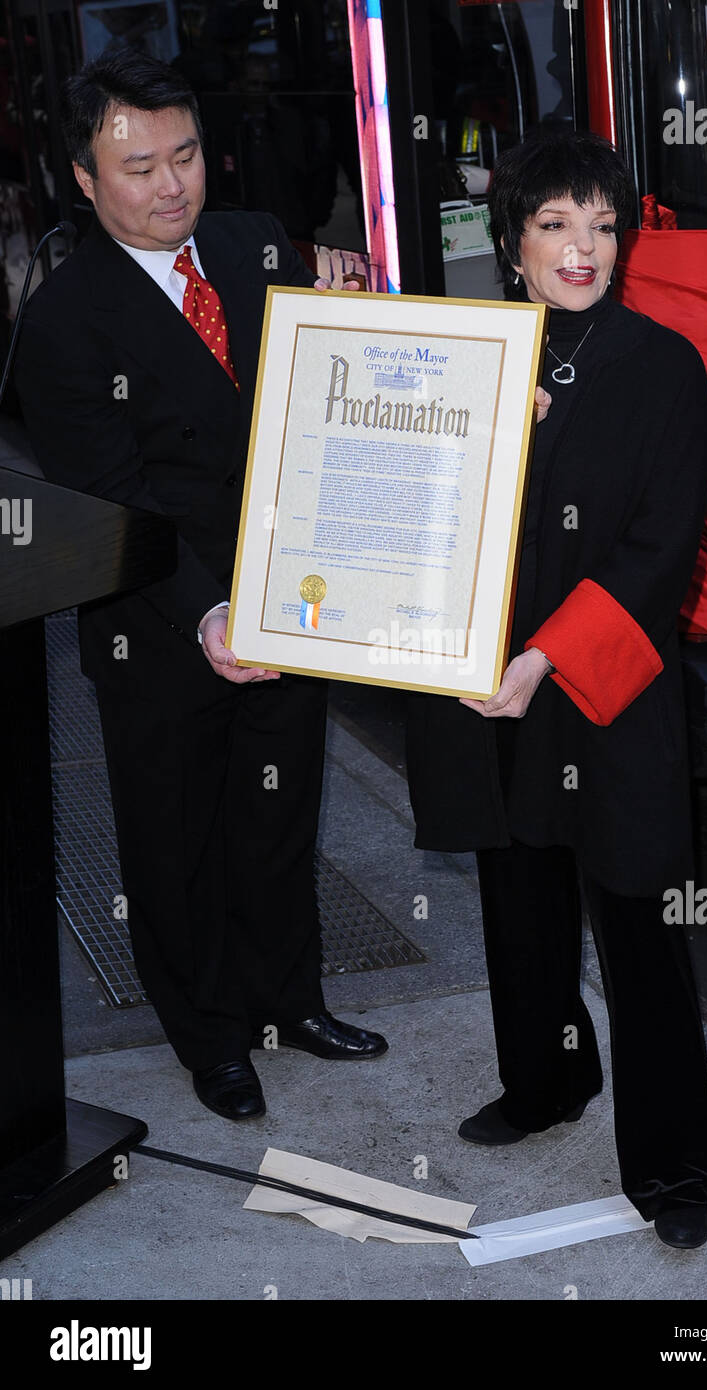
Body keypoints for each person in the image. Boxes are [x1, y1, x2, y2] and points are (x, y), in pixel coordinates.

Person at [14, 49, 387, 1122]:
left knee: (279, 814)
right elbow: (113, 497)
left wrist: (348, 282)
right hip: (162, 618)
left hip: (293, 588)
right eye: (137, 166)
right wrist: (211, 611)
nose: (170, 184)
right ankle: (211, 1035)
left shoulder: (250, 240)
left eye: (183, 154)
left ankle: (291, 999)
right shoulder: (66, 321)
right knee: (174, 836)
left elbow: (326, 358)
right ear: (84, 180)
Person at [406, 130, 707, 1249]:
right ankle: (544, 1081)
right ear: (512, 239)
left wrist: (541, 658)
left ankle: (677, 1164)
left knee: (637, 919)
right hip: (486, 678)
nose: (581, 248)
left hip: (603, 683)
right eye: (553, 224)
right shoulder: (471, 355)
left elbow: (655, 553)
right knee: (518, 897)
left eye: (600, 225)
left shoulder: (662, 364)